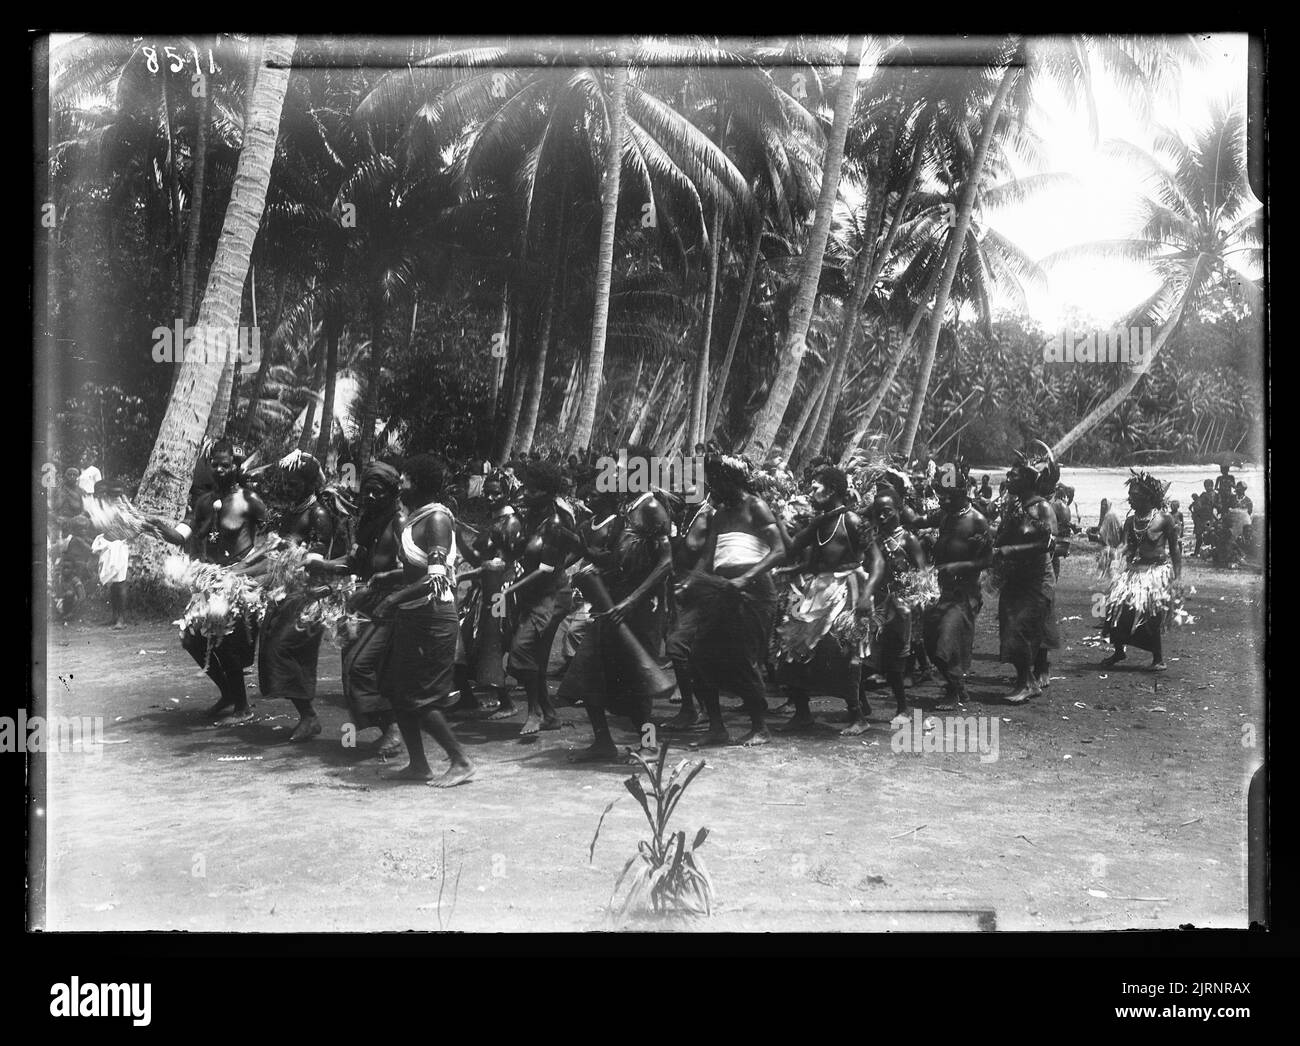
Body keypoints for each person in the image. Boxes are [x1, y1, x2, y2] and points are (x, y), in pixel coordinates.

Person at [563, 444, 676, 763]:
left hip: (642, 609)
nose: (617, 472)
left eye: (624, 467)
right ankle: (603, 742)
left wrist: (630, 601)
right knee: (589, 671)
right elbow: (615, 559)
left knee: (639, 680)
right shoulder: (625, 510)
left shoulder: (652, 507)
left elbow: (666, 564)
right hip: (611, 604)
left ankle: (650, 744)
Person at [371, 454, 475, 787]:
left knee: (422, 696)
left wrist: (392, 599)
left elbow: (437, 578)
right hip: (414, 616)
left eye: (405, 479)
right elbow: (413, 571)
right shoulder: (415, 520)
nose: (400, 484)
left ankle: (460, 761)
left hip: (433, 619)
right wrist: (385, 581)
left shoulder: (438, 520)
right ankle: (419, 764)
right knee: (397, 690)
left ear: (420, 483)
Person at [147, 440, 266, 725]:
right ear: (210, 466)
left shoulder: (248, 499)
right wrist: (155, 526)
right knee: (191, 639)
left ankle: (243, 708)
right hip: (212, 581)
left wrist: (249, 569)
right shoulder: (203, 502)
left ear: (235, 466)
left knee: (224, 640)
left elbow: (269, 538)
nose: (221, 470)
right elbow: (181, 535)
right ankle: (228, 695)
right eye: (216, 465)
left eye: (226, 465)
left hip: (240, 581)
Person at [749, 466, 874, 736]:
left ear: (831, 491)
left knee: (842, 653)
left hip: (847, 591)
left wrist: (865, 596)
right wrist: (776, 520)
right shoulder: (819, 523)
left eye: (816, 487)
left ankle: (857, 715)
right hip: (818, 589)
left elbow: (878, 562)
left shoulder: (852, 521)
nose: (811, 491)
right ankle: (802, 714)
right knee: (792, 646)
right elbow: (791, 548)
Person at [678, 455, 780, 747]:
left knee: (744, 659)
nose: (711, 488)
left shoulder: (756, 507)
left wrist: (746, 578)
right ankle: (716, 727)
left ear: (730, 481)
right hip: (721, 590)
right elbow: (708, 557)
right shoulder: (720, 513)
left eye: (716, 481)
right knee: (697, 656)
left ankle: (760, 727)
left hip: (754, 593)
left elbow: (779, 551)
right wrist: (690, 582)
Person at [250, 454, 337, 742]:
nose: (287, 487)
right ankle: (307, 716)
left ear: (309, 483)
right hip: (286, 592)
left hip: (308, 594)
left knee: (284, 648)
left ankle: (309, 717)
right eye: (285, 482)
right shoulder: (291, 512)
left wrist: (290, 554)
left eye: (294, 482)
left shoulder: (318, 514)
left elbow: (316, 557)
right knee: (272, 648)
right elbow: (275, 550)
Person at [498, 461, 584, 736]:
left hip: (551, 597)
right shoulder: (528, 517)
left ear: (547, 492)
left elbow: (568, 553)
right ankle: (546, 713)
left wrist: (559, 566)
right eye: (527, 486)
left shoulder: (556, 522)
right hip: (531, 594)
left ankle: (535, 712)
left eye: (534, 489)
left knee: (522, 652)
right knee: (537, 656)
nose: (526, 492)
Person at [991, 444, 1059, 704]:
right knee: (1011, 629)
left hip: (1036, 580)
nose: (1009, 479)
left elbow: (1048, 544)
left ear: (1030, 479)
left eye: (1015, 475)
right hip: (1015, 578)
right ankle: (1027, 680)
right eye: (1009, 475)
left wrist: (1010, 550)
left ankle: (1027, 682)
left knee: (1021, 630)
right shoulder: (1014, 506)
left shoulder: (1041, 508)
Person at [924, 464, 990, 709]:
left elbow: (987, 560)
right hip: (942, 590)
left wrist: (960, 567)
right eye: (940, 495)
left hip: (965, 593)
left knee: (947, 639)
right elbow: (919, 520)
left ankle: (952, 690)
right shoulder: (945, 516)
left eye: (947, 497)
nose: (942, 500)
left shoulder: (977, 521)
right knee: (930, 638)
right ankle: (957, 685)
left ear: (961, 495)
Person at [1101, 471, 1181, 671]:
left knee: (1151, 615)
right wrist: (1112, 553)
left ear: (1148, 497)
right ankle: (1119, 651)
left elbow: (1175, 550)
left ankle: (1158, 658)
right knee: (1115, 606)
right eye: (1130, 495)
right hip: (1135, 571)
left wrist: (1177, 577)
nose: (1130, 499)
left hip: (1156, 573)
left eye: (1134, 495)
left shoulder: (1165, 519)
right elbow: (1126, 546)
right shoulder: (1131, 521)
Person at [89, 480, 131, 629]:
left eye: (102, 492)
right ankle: (114, 617)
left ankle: (121, 619)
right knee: (112, 584)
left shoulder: (119, 505)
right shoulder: (102, 506)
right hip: (107, 545)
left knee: (120, 583)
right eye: (97, 492)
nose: (100, 495)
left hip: (118, 546)